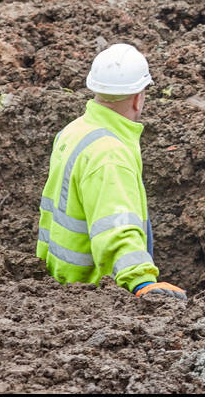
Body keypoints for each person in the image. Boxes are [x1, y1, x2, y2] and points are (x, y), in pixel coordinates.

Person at [37, 43, 185, 299]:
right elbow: (116, 227)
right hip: (91, 295)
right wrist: (141, 282)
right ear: (138, 99)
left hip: (58, 284)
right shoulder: (109, 154)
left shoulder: (73, 131)